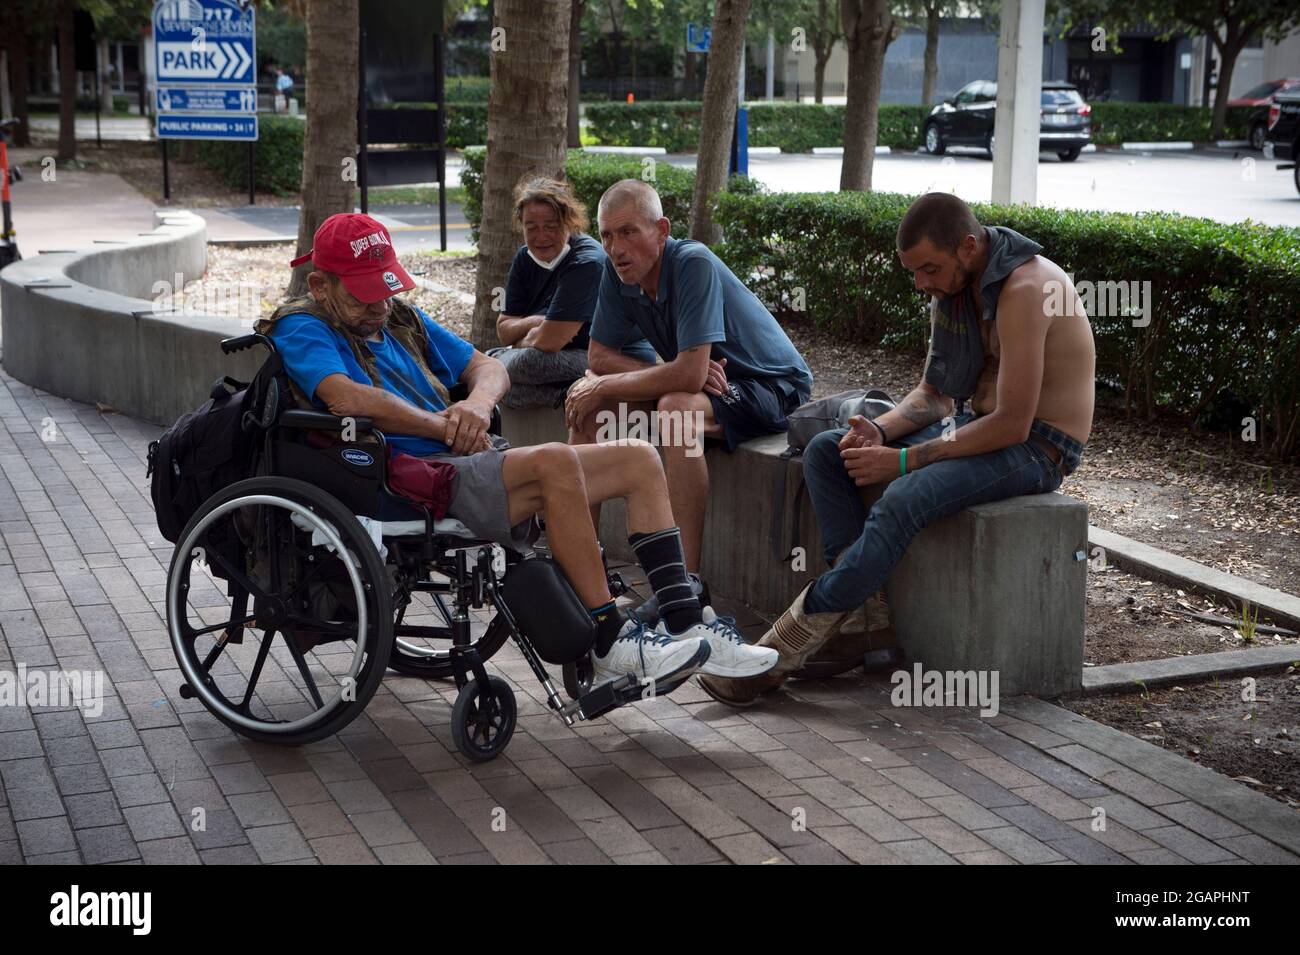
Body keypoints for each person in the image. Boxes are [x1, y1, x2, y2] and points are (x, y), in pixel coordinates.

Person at [257, 213, 777, 690]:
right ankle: (609, 641)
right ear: (321, 286)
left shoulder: (399, 319)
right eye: (363, 296)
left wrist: (478, 407)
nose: (378, 307)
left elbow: (490, 366)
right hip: (407, 475)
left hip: (464, 457)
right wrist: (442, 426)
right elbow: (344, 395)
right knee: (553, 462)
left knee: (638, 458)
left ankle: (685, 623)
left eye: (385, 290)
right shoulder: (303, 324)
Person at [699, 191, 1096, 706]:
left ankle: (784, 647)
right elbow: (935, 394)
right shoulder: (956, 288)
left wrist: (904, 460)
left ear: (969, 247)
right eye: (914, 272)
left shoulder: (1026, 288)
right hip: (981, 426)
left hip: (1039, 448)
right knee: (826, 452)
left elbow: (1013, 425)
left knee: (903, 497)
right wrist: (880, 432)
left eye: (929, 269)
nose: (921, 283)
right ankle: (864, 624)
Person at [566, 179, 812, 618]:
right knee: (589, 405)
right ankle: (578, 564)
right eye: (606, 235)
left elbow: (688, 373)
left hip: (771, 387)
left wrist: (670, 375)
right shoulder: (617, 271)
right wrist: (651, 377)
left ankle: (685, 585)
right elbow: (600, 357)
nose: (616, 247)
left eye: (628, 232)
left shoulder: (692, 262)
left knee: (676, 410)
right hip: (709, 389)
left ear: (661, 230)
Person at [487, 177, 649, 408]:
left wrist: (523, 338)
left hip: (613, 357)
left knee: (507, 366)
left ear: (569, 222)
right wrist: (538, 321)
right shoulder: (525, 257)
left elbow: (549, 342)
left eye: (551, 227)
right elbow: (504, 330)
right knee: (497, 381)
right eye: (531, 227)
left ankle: (496, 363)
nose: (541, 236)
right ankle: (564, 394)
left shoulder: (587, 262)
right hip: (561, 354)